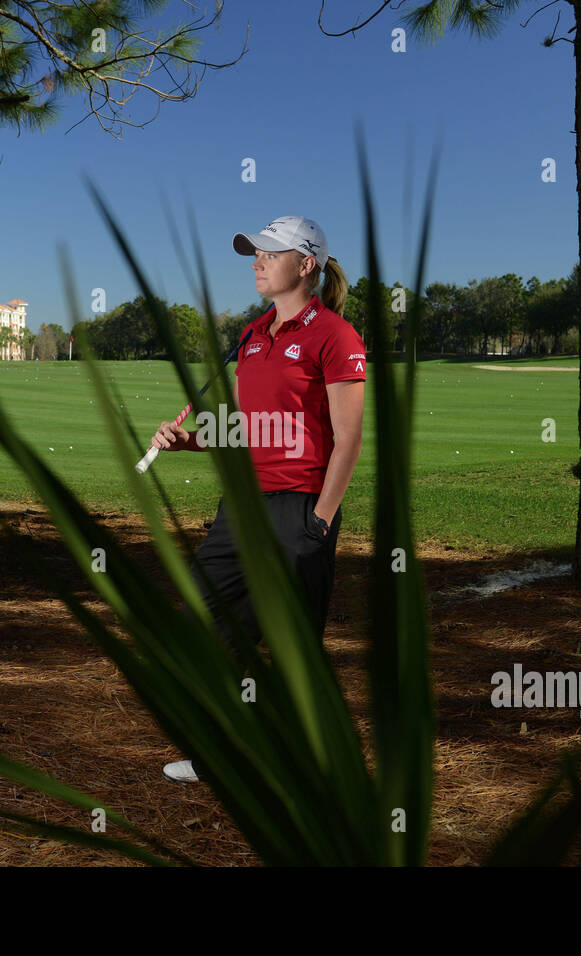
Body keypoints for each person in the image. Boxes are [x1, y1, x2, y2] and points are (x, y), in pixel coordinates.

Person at [147, 215, 367, 784]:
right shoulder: (251, 335)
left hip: (299, 508)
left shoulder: (335, 335)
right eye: (255, 253)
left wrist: (318, 521)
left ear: (306, 264)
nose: (257, 261)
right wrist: (190, 441)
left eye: (270, 253)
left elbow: (349, 440)